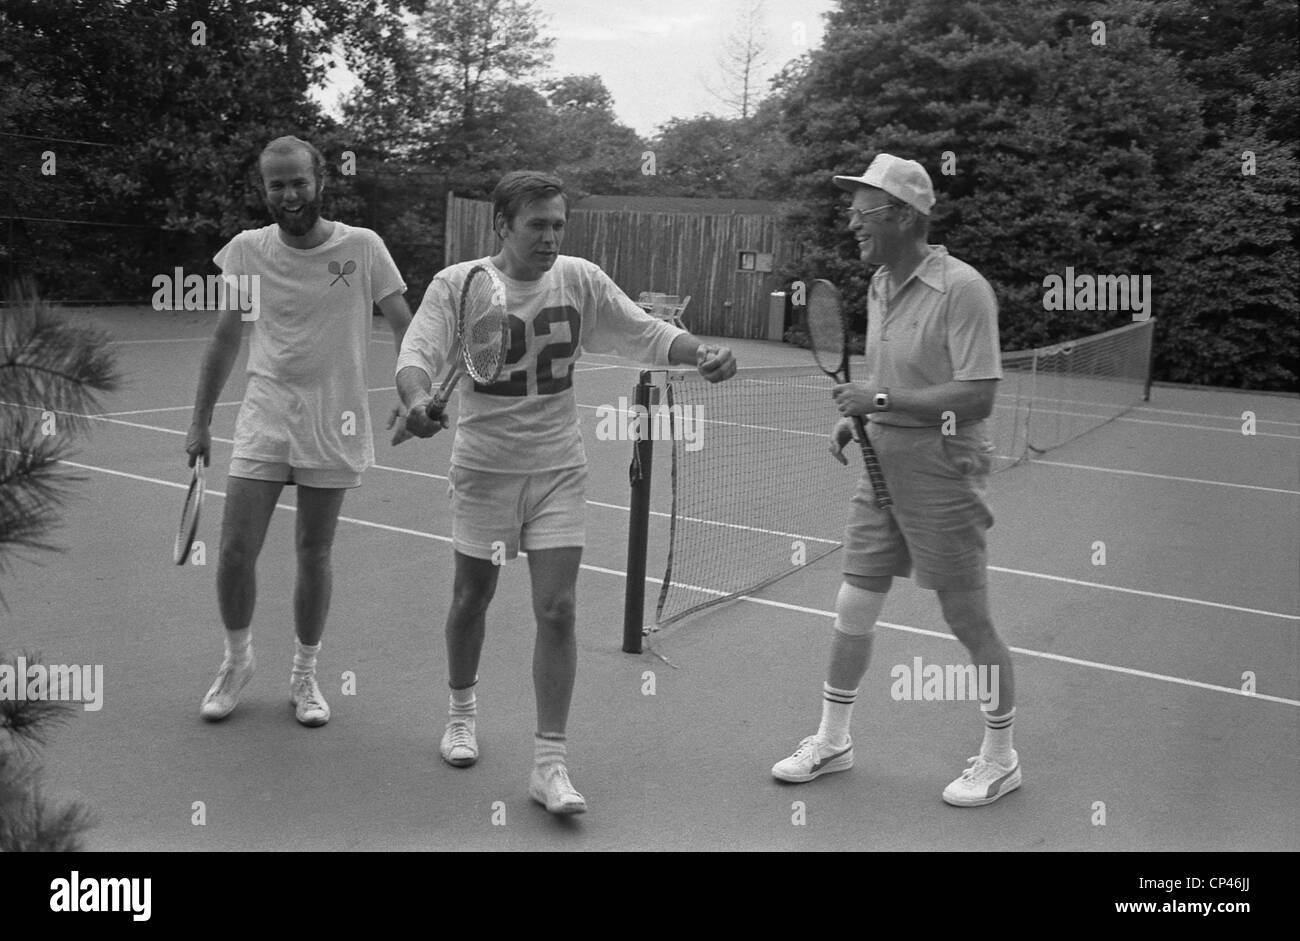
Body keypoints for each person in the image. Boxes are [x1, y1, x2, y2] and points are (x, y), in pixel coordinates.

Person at [396, 170, 736, 814]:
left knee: (557, 610)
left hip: (556, 470)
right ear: (502, 225)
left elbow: (647, 332)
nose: (551, 236)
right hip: (484, 470)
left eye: (558, 224)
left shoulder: (578, 278)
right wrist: (417, 400)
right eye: (537, 225)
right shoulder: (459, 285)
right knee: (472, 597)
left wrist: (702, 352)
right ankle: (461, 712)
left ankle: (549, 764)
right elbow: (418, 354)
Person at [772, 153, 1020, 806]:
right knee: (855, 602)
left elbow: (975, 397)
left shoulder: (964, 289)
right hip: (882, 468)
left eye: (863, 211)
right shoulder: (881, 283)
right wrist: (860, 422)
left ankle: (1000, 755)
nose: (851, 221)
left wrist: (875, 406)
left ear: (904, 217)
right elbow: (895, 382)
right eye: (852, 210)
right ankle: (834, 739)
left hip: (944, 474)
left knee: (967, 617)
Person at [186, 135, 413, 727]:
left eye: (298, 182)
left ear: (320, 183)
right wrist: (200, 420)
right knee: (235, 551)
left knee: (314, 553)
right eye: (276, 184)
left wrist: (415, 397)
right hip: (264, 419)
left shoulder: (362, 248)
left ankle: (306, 676)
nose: (289, 194)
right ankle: (237, 663)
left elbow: (403, 326)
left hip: (335, 423)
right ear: (265, 190)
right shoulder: (244, 251)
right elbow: (224, 338)